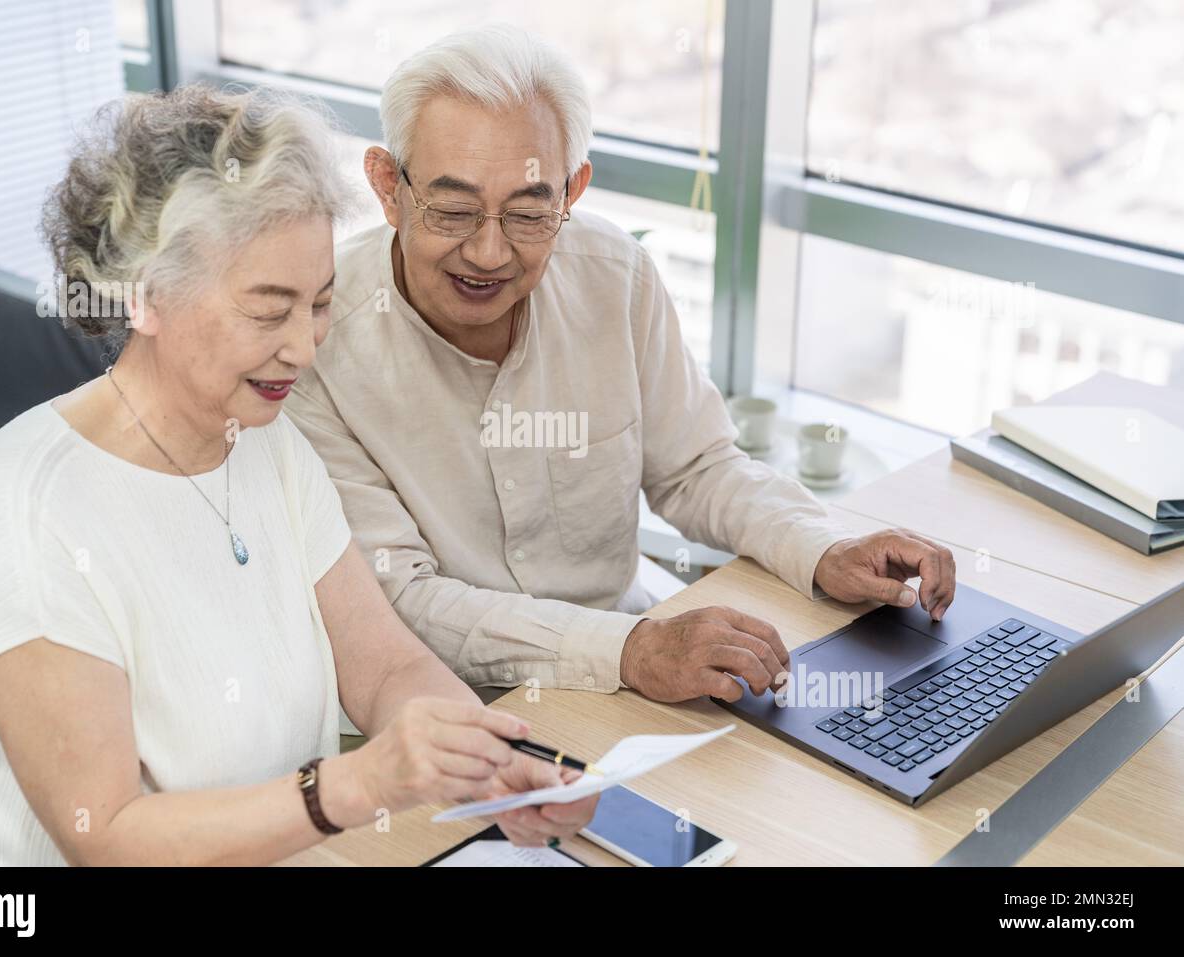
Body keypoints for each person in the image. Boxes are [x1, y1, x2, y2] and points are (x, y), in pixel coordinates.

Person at [0, 84, 596, 866]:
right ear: (145, 296)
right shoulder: (31, 504)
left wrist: (483, 754)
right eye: (268, 310)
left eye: (319, 303)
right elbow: (104, 835)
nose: (305, 348)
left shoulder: (267, 443)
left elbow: (384, 665)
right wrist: (351, 785)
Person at [285, 25, 957, 705]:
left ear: (572, 192)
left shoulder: (615, 276)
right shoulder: (316, 338)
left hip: (630, 673)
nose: (489, 253)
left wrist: (823, 546)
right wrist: (629, 649)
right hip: (443, 700)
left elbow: (696, 470)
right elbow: (402, 598)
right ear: (386, 187)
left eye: (527, 212)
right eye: (454, 210)